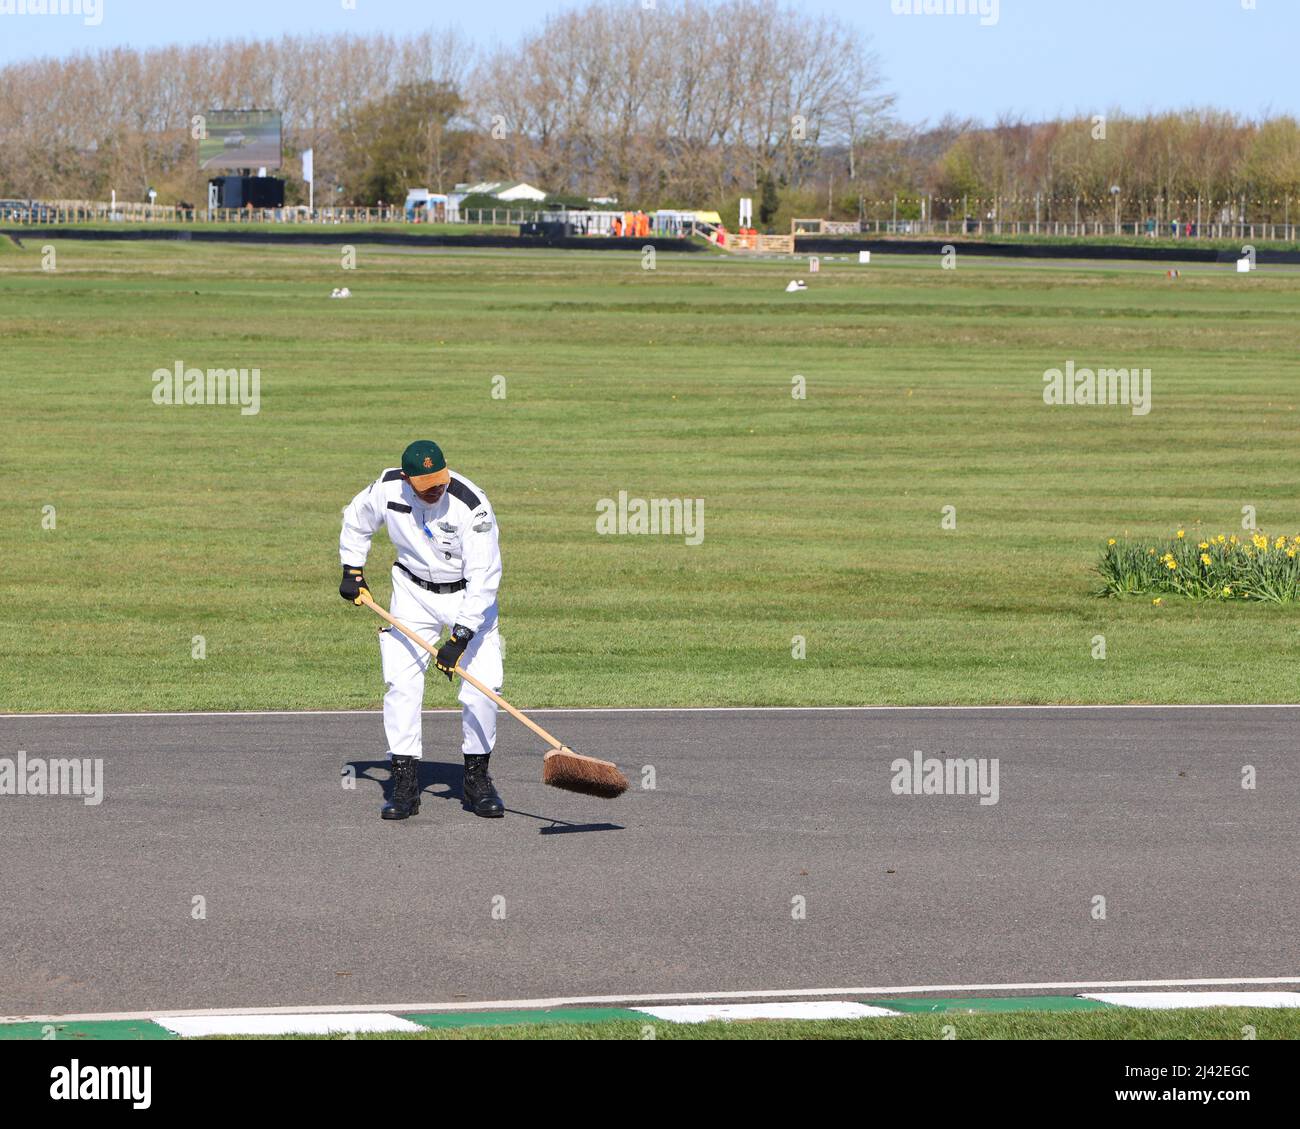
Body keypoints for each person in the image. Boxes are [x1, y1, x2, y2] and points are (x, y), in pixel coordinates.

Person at [339, 440, 506, 821]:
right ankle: (403, 783)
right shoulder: (386, 488)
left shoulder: (472, 506)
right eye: (426, 482)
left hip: (466, 596)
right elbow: (356, 519)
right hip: (411, 594)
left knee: (482, 688)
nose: (435, 488)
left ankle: (476, 780)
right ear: (406, 478)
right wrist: (352, 569)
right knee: (402, 684)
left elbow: (485, 578)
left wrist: (460, 636)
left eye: (440, 480)